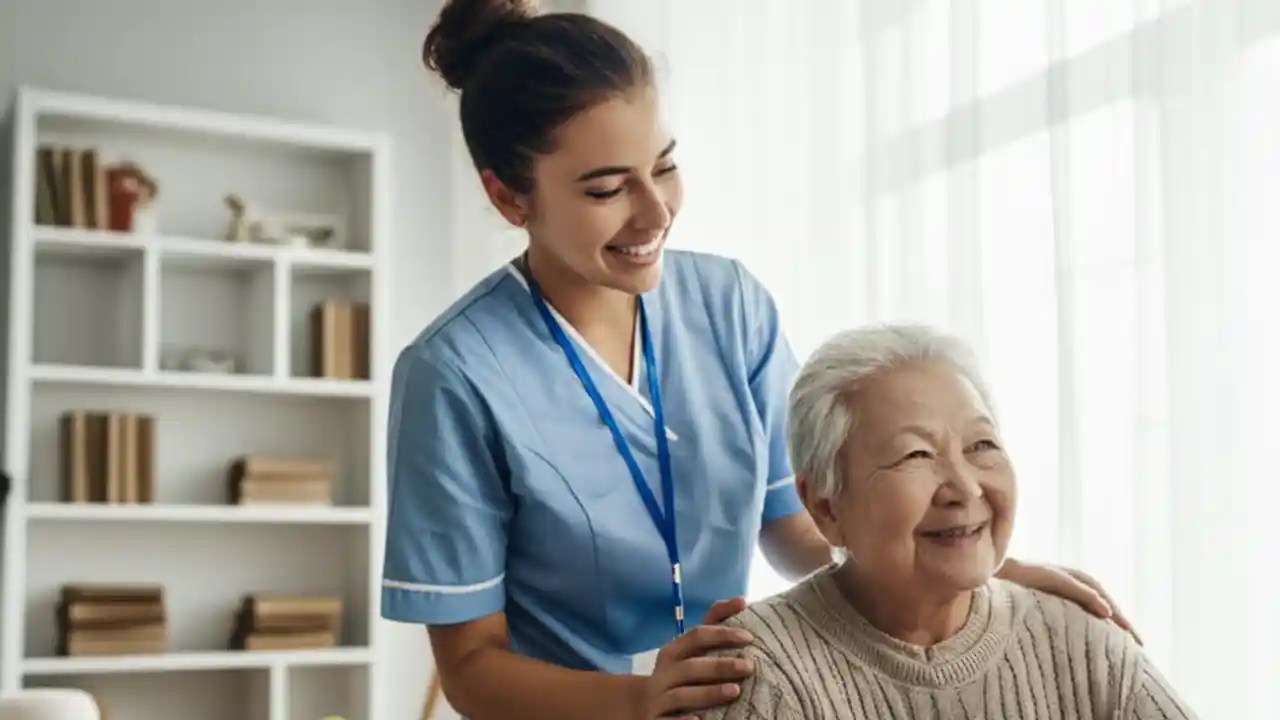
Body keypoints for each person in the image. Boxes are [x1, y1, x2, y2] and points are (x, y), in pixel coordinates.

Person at [380, 2, 1134, 718]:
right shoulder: (454, 376)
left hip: (732, 704)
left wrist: (974, 575)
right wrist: (642, 704)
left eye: (664, 167)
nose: (655, 212)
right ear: (511, 199)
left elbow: (808, 530)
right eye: (607, 189)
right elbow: (472, 670)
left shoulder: (729, 306)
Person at [701, 325, 1196, 720]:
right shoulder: (757, 672)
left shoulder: (1079, 640)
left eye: (982, 445)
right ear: (826, 506)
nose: (965, 488)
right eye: (916, 454)